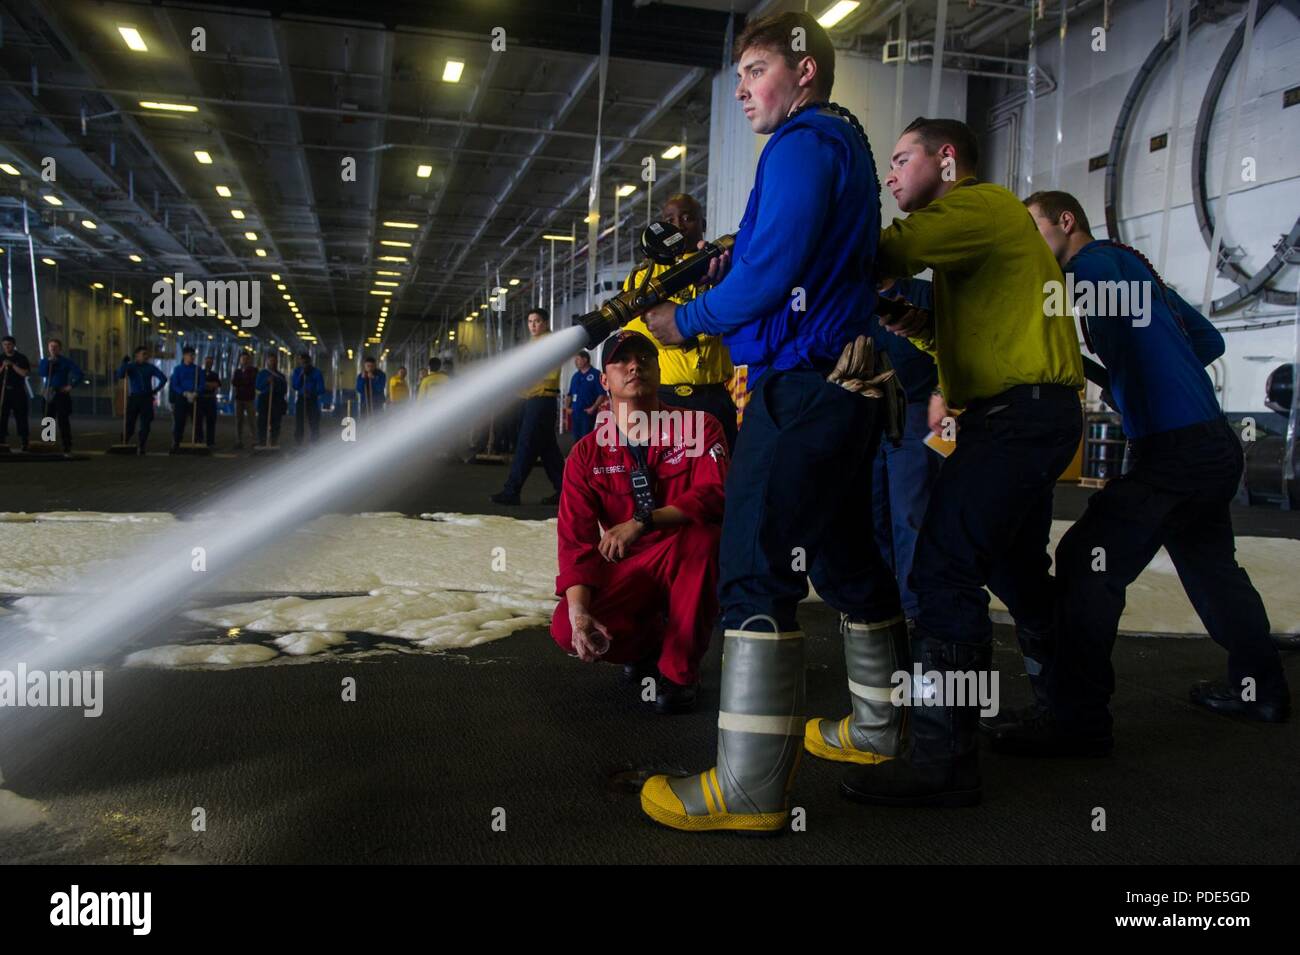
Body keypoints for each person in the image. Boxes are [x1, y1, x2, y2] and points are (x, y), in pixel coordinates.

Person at [640, 11, 905, 832]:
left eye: (757, 70)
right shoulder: (844, 146)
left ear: (804, 71)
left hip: (800, 392)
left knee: (753, 570)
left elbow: (771, 277)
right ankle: (879, 725)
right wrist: (740, 255)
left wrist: (684, 321)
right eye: (742, 74)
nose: (745, 89)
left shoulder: (798, 143)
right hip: (846, 391)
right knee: (845, 557)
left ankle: (749, 790)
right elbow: (790, 258)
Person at [989, 191, 1292, 757]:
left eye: (1033, 228)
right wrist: (1138, 373)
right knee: (1211, 571)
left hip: (1175, 452)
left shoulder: (1089, 266)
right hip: (1210, 445)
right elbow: (1209, 340)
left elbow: (1037, 307)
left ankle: (1077, 722)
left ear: (1066, 220)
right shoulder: (1128, 263)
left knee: (1086, 560)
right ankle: (1261, 690)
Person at [839, 117, 1085, 809]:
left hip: (1016, 421)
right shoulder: (985, 227)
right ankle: (1074, 714)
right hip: (1028, 415)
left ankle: (944, 758)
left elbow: (887, 250)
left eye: (900, 159)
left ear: (946, 161)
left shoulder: (971, 204)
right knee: (1015, 569)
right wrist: (920, 326)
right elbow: (966, 340)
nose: (890, 175)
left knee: (942, 570)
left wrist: (796, 245)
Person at [552, 330, 729, 713]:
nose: (635, 365)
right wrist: (579, 611)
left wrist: (643, 521)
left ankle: (680, 673)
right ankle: (648, 643)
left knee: (705, 540)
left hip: (683, 553)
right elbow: (575, 540)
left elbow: (715, 495)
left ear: (660, 372)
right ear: (605, 380)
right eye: (622, 360)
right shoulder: (586, 454)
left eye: (645, 358)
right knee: (567, 629)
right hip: (628, 563)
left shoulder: (700, 427)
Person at [622, 194, 738, 450]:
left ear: (703, 223)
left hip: (715, 397)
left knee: (722, 477)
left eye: (688, 218)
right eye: (670, 219)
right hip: (665, 398)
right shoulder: (644, 277)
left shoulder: (722, 267)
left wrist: (681, 322)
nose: (679, 225)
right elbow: (639, 338)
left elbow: (737, 316)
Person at [871, 278, 944, 627]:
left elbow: (953, 347)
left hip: (915, 413)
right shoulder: (852, 296)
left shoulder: (926, 295)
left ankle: (916, 609)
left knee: (910, 513)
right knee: (873, 515)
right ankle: (881, 604)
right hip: (867, 415)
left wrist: (942, 395)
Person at [491, 308, 565, 506]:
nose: (533, 325)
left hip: (541, 400)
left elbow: (547, 376)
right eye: (530, 321)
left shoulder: (551, 343)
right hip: (534, 400)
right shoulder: (534, 343)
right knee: (548, 451)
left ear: (546, 322)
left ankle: (511, 491)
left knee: (525, 445)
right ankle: (566, 491)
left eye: (537, 321)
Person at [114, 346, 167, 454]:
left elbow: (163, 378)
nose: (146, 356)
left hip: (146, 398)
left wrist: (155, 390)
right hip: (135, 398)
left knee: (146, 423)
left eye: (146, 354)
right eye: (143, 354)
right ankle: (124, 441)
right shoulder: (131, 367)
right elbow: (120, 375)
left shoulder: (150, 367)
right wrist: (124, 364)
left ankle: (142, 444)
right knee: (130, 422)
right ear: (136, 355)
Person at [38, 338, 82, 454]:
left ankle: (67, 444)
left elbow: (79, 374)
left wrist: (70, 386)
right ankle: (48, 443)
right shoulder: (44, 361)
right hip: (48, 392)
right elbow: (42, 373)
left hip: (61, 393)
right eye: (51, 346)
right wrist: (49, 362)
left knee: (63, 419)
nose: (53, 349)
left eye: (55, 347)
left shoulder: (66, 362)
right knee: (48, 419)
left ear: (60, 349)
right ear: (48, 348)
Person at [1, 335, 32, 452]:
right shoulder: (1, 358)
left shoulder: (21, 358)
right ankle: (2, 441)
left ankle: (24, 441)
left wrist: (13, 365)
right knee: (2, 416)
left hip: (18, 391)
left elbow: (25, 373)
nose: (7, 347)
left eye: (9, 345)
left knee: (21, 416)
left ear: (13, 345)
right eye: (4, 345)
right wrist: (3, 366)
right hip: (4, 391)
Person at [168, 345, 202, 453]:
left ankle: (198, 442)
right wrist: (184, 393)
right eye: (190, 355)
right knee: (179, 421)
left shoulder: (197, 369)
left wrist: (196, 392)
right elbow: (175, 384)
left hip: (195, 398)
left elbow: (202, 383)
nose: (192, 357)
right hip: (181, 398)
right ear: (184, 356)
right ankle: (177, 442)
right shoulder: (178, 369)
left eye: (193, 355)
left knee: (197, 421)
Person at [565, 350, 605, 440]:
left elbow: (602, 394)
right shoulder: (575, 376)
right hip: (575, 412)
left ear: (585, 359)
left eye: (577, 359)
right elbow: (570, 394)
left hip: (587, 413)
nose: (575, 362)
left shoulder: (596, 374)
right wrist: (567, 407)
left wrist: (593, 408)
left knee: (586, 438)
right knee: (576, 438)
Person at [255, 351, 289, 446]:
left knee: (275, 422)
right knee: (262, 422)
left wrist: (276, 385)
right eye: (270, 361)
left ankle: (274, 441)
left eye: (274, 361)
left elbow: (284, 389)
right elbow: (258, 386)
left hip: (276, 400)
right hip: (264, 400)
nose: (272, 363)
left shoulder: (281, 376)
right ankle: (262, 441)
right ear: (267, 362)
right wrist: (267, 381)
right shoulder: (262, 374)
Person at [292, 352, 325, 446]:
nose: (304, 365)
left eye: (306, 362)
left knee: (314, 419)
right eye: (302, 362)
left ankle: (315, 439)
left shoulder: (317, 372)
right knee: (299, 420)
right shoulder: (297, 371)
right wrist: (301, 376)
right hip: (301, 399)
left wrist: (312, 392)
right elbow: (295, 386)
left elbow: (321, 388)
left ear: (310, 362)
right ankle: (299, 440)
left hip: (312, 399)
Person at [231, 351, 258, 450]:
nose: (244, 361)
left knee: (252, 420)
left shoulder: (253, 370)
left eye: (246, 359)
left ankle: (255, 440)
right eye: (243, 359)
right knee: (238, 420)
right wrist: (243, 382)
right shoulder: (237, 371)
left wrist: (241, 382)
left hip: (249, 398)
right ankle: (238, 440)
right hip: (239, 398)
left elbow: (250, 381)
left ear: (249, 360)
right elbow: (234, 382)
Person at [195, 354, 221, 448]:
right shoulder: (199, 373)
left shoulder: (214, 374)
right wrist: (208, 385)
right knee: (198, 420)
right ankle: (199, 439)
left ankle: (210, 441)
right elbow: (199, 384)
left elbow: (217, 384)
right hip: (201, 398)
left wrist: (206, 384)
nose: (208, 364)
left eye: (210, 362)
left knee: (211, 421)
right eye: (207, 362)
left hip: (210, 399)